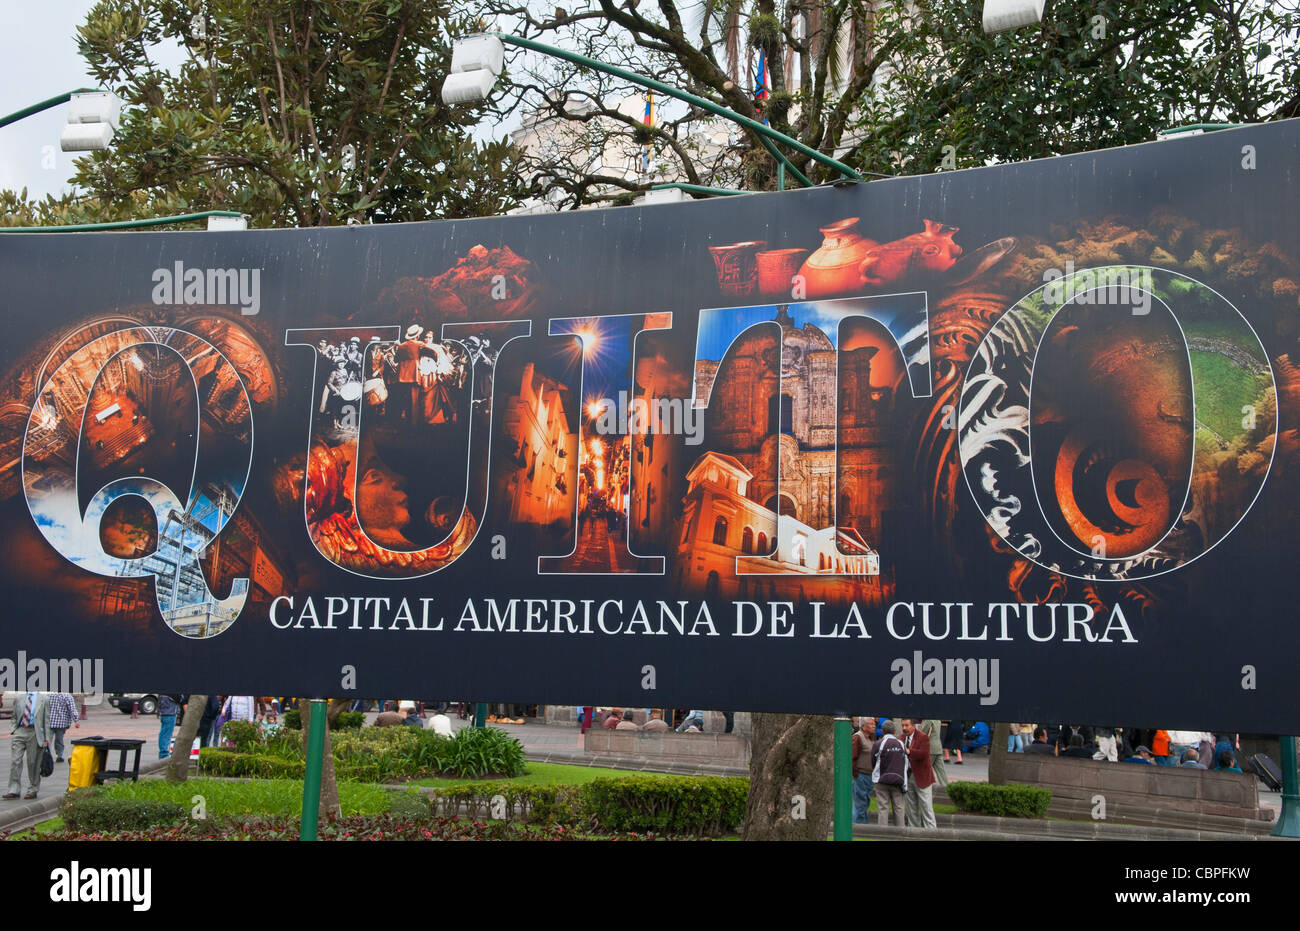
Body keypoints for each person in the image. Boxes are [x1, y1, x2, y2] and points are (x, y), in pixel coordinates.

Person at [5, 691, 51, 799]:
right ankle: (13, 789)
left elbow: (46, 719)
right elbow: (14, 716)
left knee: (33, 762)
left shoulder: (44, 698)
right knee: (15, 760)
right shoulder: (18, 697)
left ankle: (33, 789)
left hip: (34, 732)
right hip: (20, 731)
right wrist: (14, 730)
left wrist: (47, 738)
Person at [901, 718, 937, 828]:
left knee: (926, 807)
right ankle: (914, 832)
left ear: (913, 726)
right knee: (911, 808)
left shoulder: (923, 737)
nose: (904, 728)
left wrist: (909, 751)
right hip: (908, 776)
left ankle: (931, 832)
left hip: (922, 777)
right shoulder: (901, 738)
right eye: (902, 725)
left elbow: (924, 754)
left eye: (906, 725)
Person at [871, 720, 908, 826]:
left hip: (881, 780)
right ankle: (900, 834)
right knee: (899, 808)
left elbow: (873, 761)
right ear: (895, 731)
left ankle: (882, 834)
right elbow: (905, 762)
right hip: (898, 781)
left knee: (883, 808)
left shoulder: (878, 744)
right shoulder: (901, 744)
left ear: (882, 731)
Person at [851, 717, 876, 825]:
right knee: (860, 802)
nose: (874, 726)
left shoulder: (871, 738)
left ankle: (863, 825)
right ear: (863, 726)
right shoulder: (857, 737)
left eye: (874, 724)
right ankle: (858, 826)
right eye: (871, 724)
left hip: (869, 775)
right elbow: (852, 757)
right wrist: (855, 775)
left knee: (865, 802)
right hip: (860, 775)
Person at [47, 691, 79, 762]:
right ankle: (59, 755)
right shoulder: (67, 696)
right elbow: (72, 709)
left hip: (49, 722)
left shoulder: (49, 695)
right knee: (59, 739)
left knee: (48, 739)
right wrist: (76, 720)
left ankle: (47, 755)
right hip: (62, 722)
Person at [920, 718, 948, 789]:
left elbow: (923, 733)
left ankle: (923, 788)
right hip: (938, 747)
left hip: (930, 748)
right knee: (941, 770)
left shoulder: (928, 719)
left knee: (925, 769)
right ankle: (947, 787)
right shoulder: (938, 719)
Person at [157, 693, 184, 759]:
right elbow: (179, 698)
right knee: (166, 734)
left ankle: (164, 753)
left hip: (165, 711)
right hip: (170, 712)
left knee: (164, 733)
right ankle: (164, 754)